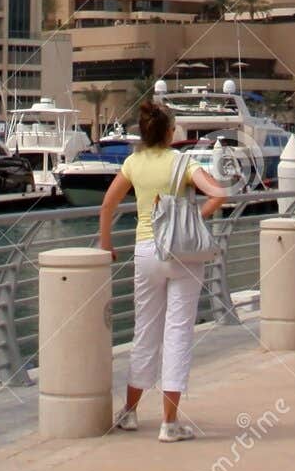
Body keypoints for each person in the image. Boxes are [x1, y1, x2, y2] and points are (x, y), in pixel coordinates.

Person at [98, 98, 229, 441]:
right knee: (178, 333)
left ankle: (129, 412)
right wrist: (192, 219)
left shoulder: (132, 162)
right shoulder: (182, 161)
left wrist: (107, 243)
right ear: (170, 133)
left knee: (146, 331)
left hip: (145, 251)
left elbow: (108, 203)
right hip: (181, 254)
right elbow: (218, 194)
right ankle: (169, 424)